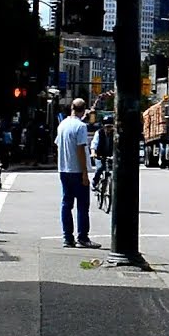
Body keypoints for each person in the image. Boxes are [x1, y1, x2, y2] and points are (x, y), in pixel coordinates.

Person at [56, 98, 101, 249]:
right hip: (76, 170)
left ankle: (67, 238)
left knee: (66, 204)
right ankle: (82, 237)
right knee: (82, 205)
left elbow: (58, 144)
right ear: (83, 110)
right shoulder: (80, 126)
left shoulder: (62, 125)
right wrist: (84, 172)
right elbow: (81, 149)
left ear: (71, 108)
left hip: (63, 169)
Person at [91, 114, 115, 188]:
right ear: (103, 126)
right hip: (100, 156)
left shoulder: (115, 134)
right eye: (107, 127)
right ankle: (95, 182)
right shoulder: (99, 133)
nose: (108, 129)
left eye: (110, 127)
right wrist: (93, 153)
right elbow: (94, 144)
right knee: (99, 168)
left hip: (111, 156)